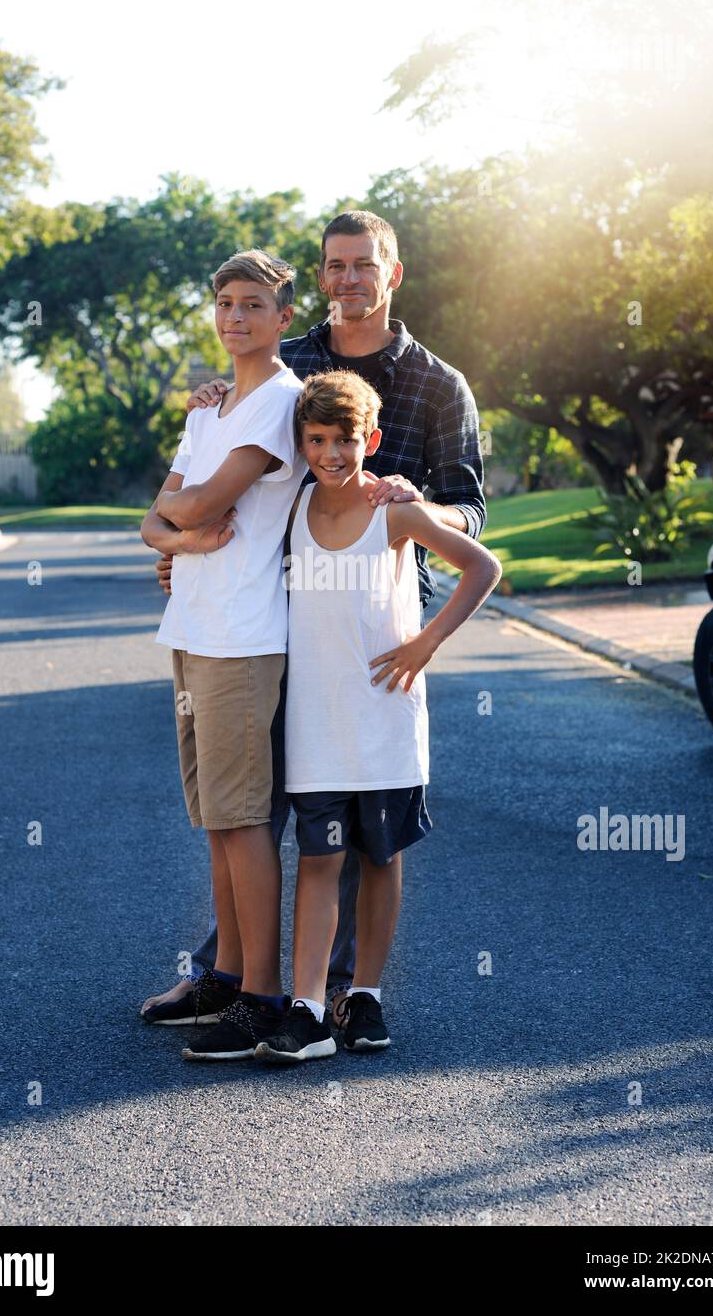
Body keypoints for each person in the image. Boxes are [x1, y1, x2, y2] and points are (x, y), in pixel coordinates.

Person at [157, 210, 486, 1025]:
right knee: (253, 811)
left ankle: (333, 990)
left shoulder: (439, 385)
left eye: (363, 265)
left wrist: (420, 505)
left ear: (392, 273)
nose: (347, 279)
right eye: (334, 265)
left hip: (373, 623)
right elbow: (244, 451)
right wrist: (209, 415)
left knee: (350, 821)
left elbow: (473, 514)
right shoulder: (290, 363)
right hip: (277, 616)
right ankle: (232, 976)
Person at [250, 370, 501, 1062]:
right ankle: (306, 1009)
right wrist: (175, 562)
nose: (332, 453)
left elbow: (482, 569)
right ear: (301, 444)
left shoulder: (396, 512)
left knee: (380, 857)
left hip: (388, 721)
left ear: (373, 440)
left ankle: (363, 996)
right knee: (321, 859)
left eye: (346, 440)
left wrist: (426, 642)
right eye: (318, 440)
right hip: (314, 726)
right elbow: (239, 558)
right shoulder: (292, 512)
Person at [138, 248, 308, 1059]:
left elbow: (197, 501)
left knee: (244, 820)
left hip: (241, 638)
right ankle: (227, 976)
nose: (235, 317)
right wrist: (181, 531)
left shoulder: (280, 402)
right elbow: (153, 522)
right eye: (225, 304)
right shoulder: (207, 410)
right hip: (190, 632)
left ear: (282, 319)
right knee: (214, 818)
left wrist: (184, 522)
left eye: (253, 305)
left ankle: (264, 1000)